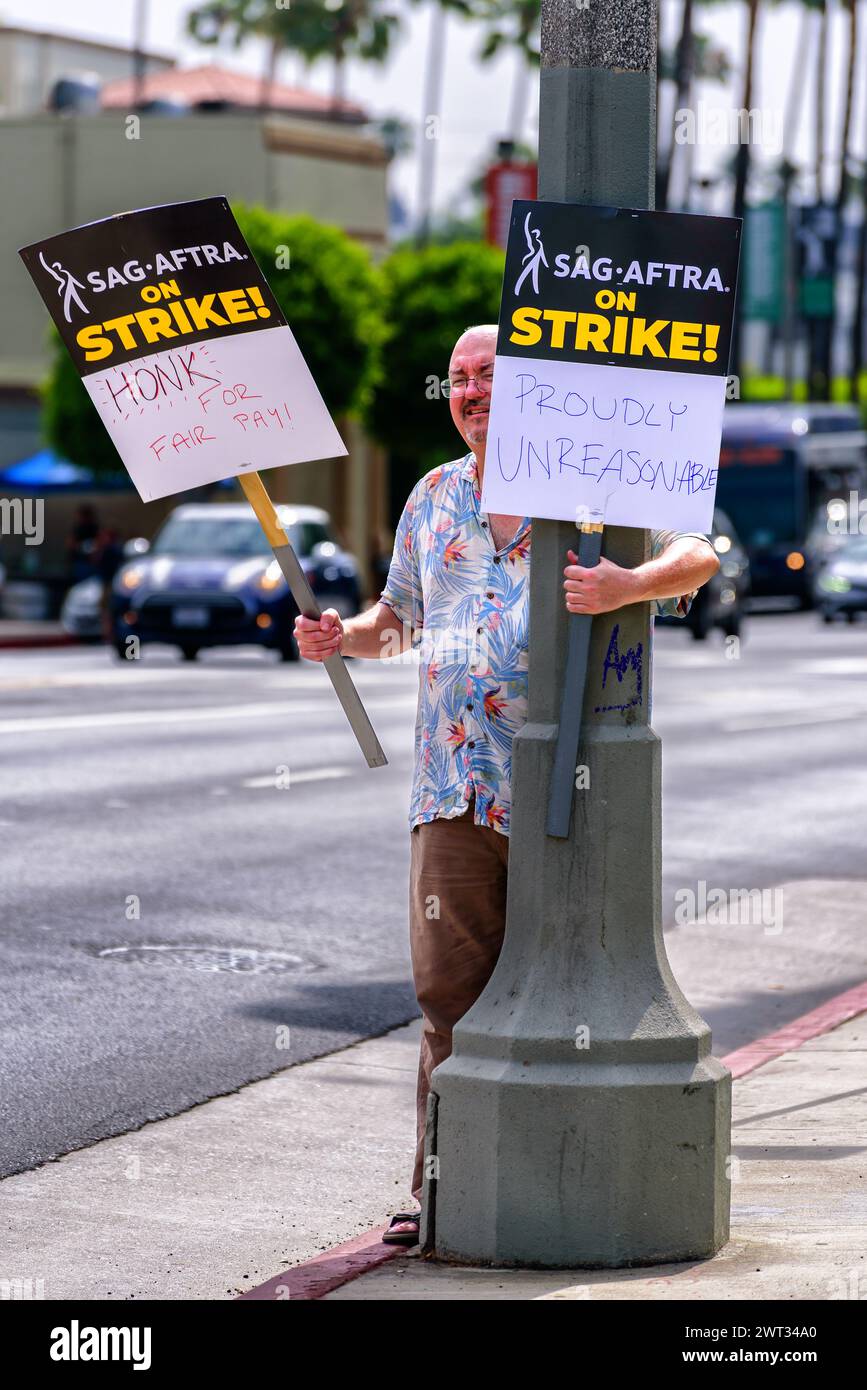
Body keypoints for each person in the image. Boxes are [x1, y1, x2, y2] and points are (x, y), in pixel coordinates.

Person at [294, 324, 720, 1246]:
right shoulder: (433, 494)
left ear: (532, 387)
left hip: (568, 788)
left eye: (490, 375)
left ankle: (557, 1183)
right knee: (448, 996)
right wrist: (344, 637)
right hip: (452, 790)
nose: (471, 392)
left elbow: (704, 551)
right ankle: (439, 1191)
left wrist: (627, 585)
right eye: (457, 379)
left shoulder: (592, 479)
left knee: (574, 989)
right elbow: (395, 620)